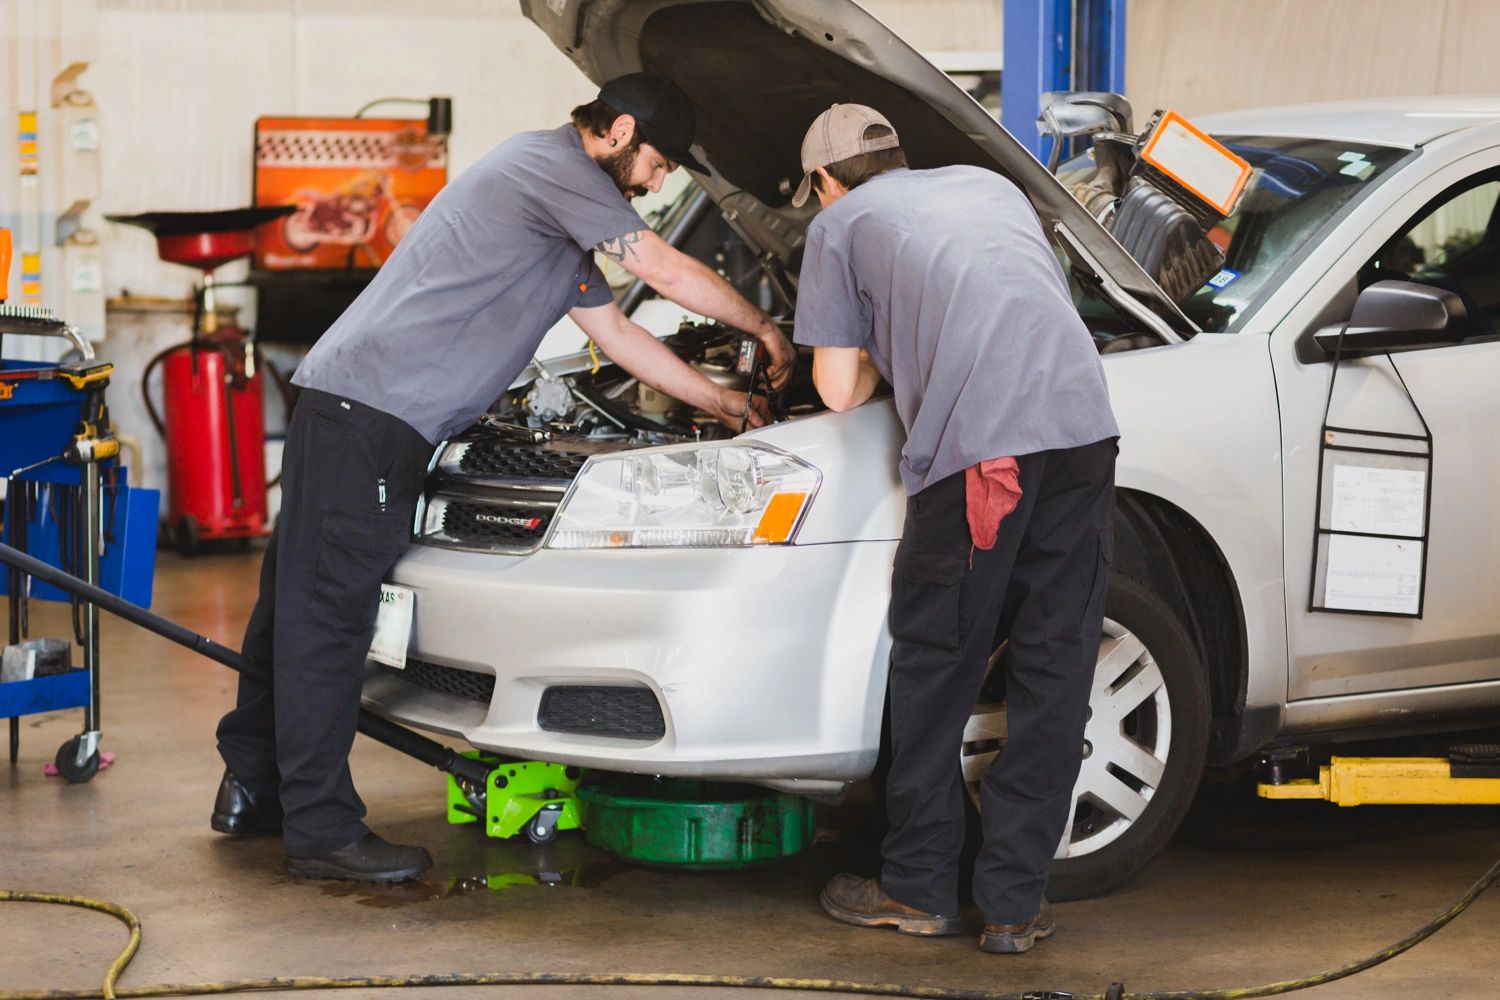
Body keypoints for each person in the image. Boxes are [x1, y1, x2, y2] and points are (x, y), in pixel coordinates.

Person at [212, 73, 795, 883]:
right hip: (372, 418)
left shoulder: (558, 226)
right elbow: (660, 270)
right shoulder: (549, 166)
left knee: (292, 609)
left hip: (353, 410)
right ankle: (320, 831)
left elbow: (619, 333)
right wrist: (765, 326)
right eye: (661, 164)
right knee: (328, 623)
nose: (660, 184)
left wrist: (727, 411)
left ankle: (251, 787)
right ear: (621, 132)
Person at [790, 104, 1118, 953]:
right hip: (1083, 431)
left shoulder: (840, 225)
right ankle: (1014, 903)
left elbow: (835, 392)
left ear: (825, 183)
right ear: (903, 157)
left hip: (981, 457)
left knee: (938, 662)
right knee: (1057, 657)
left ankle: (917, 886)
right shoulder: (987, 184)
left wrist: (863, 339)